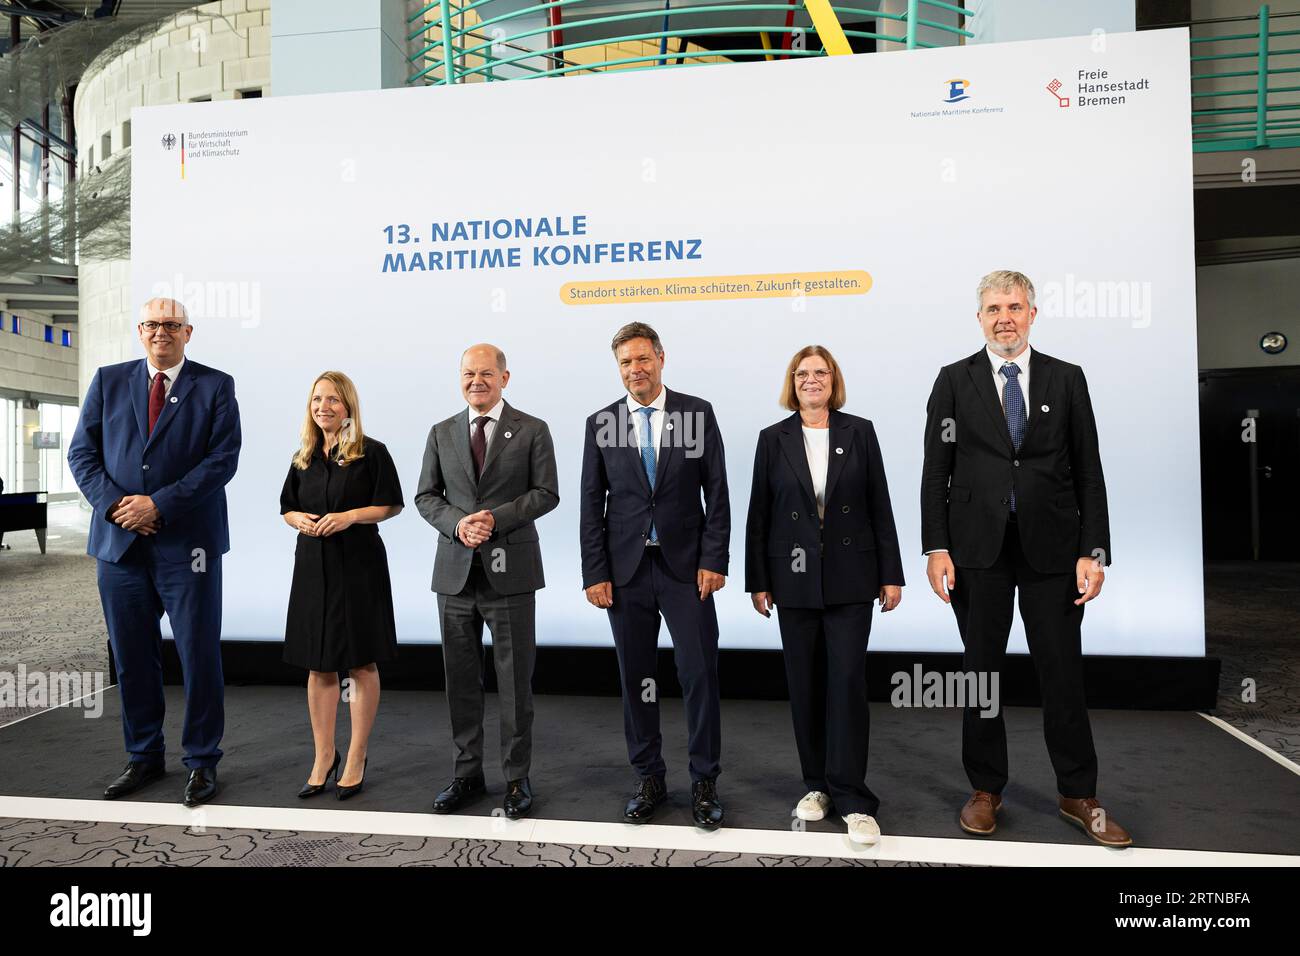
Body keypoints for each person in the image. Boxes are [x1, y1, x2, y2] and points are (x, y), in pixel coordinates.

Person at [920, 269, 1131, 847]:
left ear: (1032, 314)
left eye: (1014, 306)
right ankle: (986, 789)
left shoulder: (1067, 379)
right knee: (981, 673)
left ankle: (1078, 793)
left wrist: (1095, 550)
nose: (1004, 317)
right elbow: (936, 469)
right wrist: (936, 546)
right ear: (980, 317)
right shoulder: (953, 381)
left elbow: (1089, 469)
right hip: (975, 551)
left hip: (1055, 551)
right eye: (993, 308)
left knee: (1062, 673)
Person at [67, 297, 241, 807]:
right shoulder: (108, 380)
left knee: (198, 655)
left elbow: (221, 460)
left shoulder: (215, 385)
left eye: (171, 325)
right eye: (151, 325)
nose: (160, 332)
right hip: (119, 546)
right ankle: (143, 756)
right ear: (140, 332)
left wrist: (158, 506)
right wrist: (118, 506)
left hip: (188, 546)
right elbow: (82, 454)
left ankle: (203, 761)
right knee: (132, 658)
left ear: (188, 332)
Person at [745, 345, 905, 845]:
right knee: (806, 686)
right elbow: (759, 514)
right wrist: (758, 580)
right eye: (802, 373)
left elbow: (880, 502)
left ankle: (854, 797)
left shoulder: (860, 431)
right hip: (791, 582)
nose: (811, 380)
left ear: (834, 380)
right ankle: (816, 787)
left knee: (848, 685)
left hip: (851, 579)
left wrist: (891, 573)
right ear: (791, 381)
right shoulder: (772, 439)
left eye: (820, 372)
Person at [579, 322, 730, 828]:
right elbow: (590, 504)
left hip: (687, 570)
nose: (635, 370)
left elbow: (718, 493)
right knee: (637, 678)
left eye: (643, 359)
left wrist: (714, 559)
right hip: (625, 573)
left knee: (699, 674)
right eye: (625, 362)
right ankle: (650, 778)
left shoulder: (696, 413)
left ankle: (704, 781)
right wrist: (594, 572)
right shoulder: (602, 422)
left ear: (661, 358)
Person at [415, 344, 559, 820]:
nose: (477, 381)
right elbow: (425, 496)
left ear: (505, 377)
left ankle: (516, 780)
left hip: (511, 574)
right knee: (461, 682)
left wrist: (492, 520)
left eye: (486, 374)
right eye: (468, 373)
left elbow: (546, 493)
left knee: (515, 682)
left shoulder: (533, 429)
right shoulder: (441, 432)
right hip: (454, 576)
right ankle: (467, 774)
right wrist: (459, 523)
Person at [280, 371, 403, 800]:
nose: (323, 407)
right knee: (318, 663)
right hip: (313, 566)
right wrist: (298, 519)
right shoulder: (304, 456)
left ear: (348, 406)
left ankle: (356, 755)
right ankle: (323, 755)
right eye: (317, 399)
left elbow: (390, 505)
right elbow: (287, 509)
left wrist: (350, 516)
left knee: (361, 662)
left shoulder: (372, 453)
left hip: (359, 565)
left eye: (333, 399)